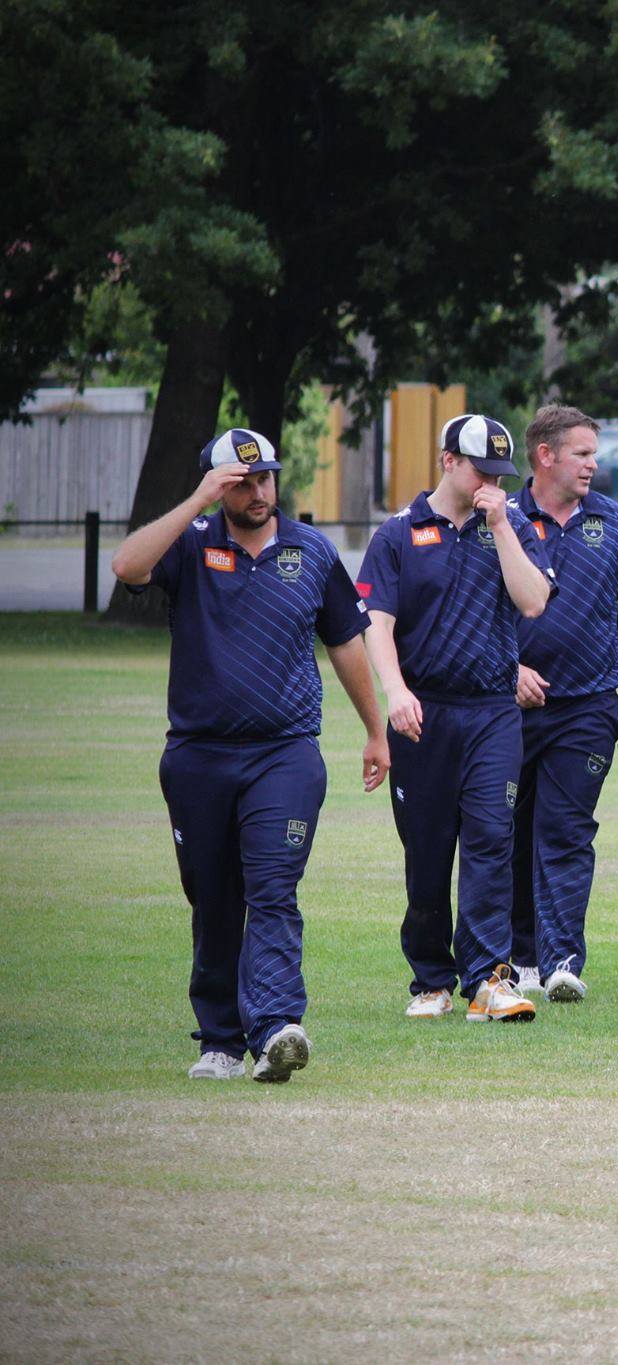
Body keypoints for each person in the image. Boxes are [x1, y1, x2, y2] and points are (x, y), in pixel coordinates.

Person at [111, 428, 388, 1083]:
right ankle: (220, 1041)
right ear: (219, 487)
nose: (259, 491)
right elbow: (126, 567)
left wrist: (375, 731)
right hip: (198, 756)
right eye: (243, 482)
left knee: (272, 889)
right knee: (213, 899)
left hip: (284, 753)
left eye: (266, 478)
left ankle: (277, 1028)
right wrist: (197, 500)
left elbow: (346, 642)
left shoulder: (311, 551)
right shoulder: (191, 543)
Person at [359, 413, 555, 1023]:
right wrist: (395, 691)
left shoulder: (512, 524)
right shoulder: (398, 533)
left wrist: (500, 527)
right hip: (422, 713)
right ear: (448, 461)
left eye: (499, 474)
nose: (490, 484)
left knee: (492, 840)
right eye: (479, 471)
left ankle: (489, 979)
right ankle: (431, 979)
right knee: (427, 850)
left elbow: (534, 601)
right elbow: (376, 622)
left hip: (493, 711)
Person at [507, 404, 618, 1003]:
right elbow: (472, 611)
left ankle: (562, 960)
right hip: (509, 707)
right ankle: (519, 956)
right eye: (582, 453)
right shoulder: (501, 519)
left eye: (593, 454)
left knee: (567, 830)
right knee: (510, 831)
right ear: (545, 456)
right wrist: (508, 670)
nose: (593, 465)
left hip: (590, 705)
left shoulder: (616, 521)